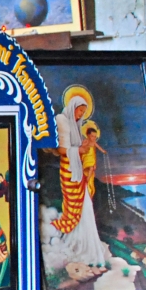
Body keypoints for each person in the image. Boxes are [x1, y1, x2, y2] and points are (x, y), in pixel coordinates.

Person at [51, 88, 108, 266]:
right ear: (72, 106)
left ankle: (89, 247)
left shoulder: (78, 126)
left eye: (84, 112)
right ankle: (72, 243)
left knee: (86, 206)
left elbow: (86, 149)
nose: (81, 114)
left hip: (79, 171)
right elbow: (59, 149)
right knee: (73, 207)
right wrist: (78, 151)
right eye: (79, 110)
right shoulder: (62, 120)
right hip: (68, 169)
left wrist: (85, 152)